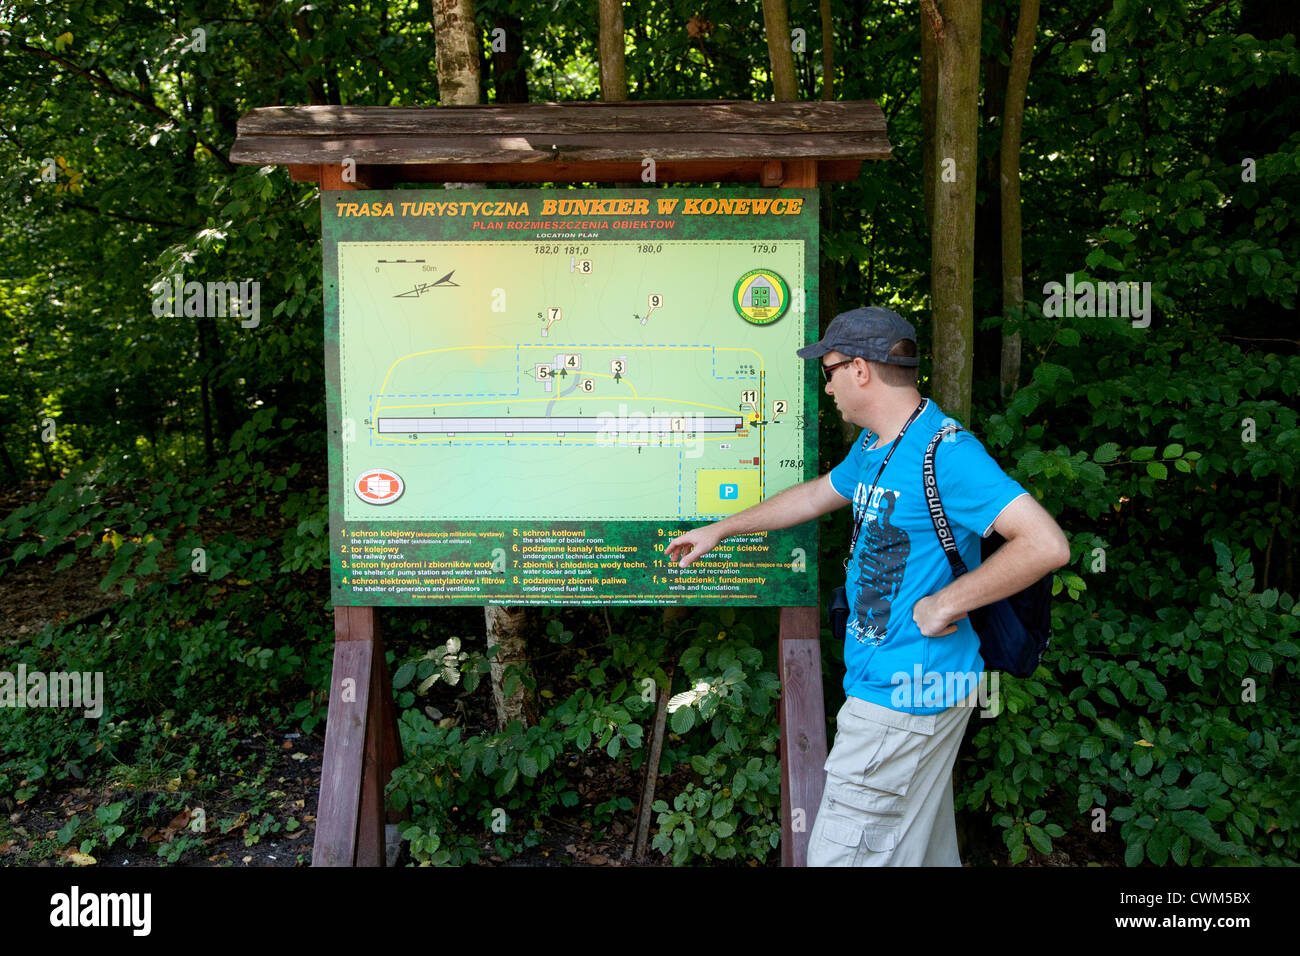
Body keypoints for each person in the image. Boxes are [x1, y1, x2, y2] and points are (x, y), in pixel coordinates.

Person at [664, 306, 1070, 866]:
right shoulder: (878, 445)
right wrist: (723, 528)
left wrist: (943, 603)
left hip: (901, 700)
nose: (825, 384)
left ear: (860, 370)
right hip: (911, 689)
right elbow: (814, 496)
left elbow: (1046, 544)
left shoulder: (945, 452)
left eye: (827, 370)